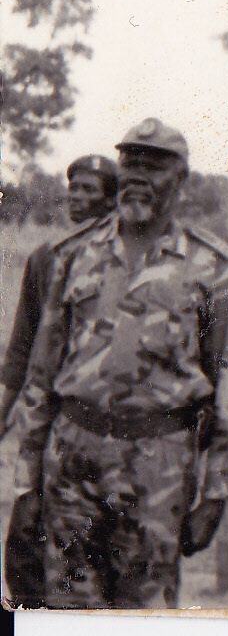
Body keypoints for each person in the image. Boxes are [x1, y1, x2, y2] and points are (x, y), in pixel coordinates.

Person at [8, 118, 228, 609]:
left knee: (146, 610)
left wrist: (216, 493)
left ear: (180, 179)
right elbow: (40, 377)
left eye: (154, 165)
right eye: (130, 162)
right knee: (67, 606)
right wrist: (25, 483)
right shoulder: (72, 256)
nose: (138, 175)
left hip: (158, 467)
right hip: (72, 460)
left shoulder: (212, 268)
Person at [1, 153, 118, 609]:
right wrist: (6, 411)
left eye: (91, 190)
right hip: (43, 410)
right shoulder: (46, 258)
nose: (80, 198)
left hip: (90, 414)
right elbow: (21, 346)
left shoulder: (120, 264)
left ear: (111, 201)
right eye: (75, 188)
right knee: (27, 515)